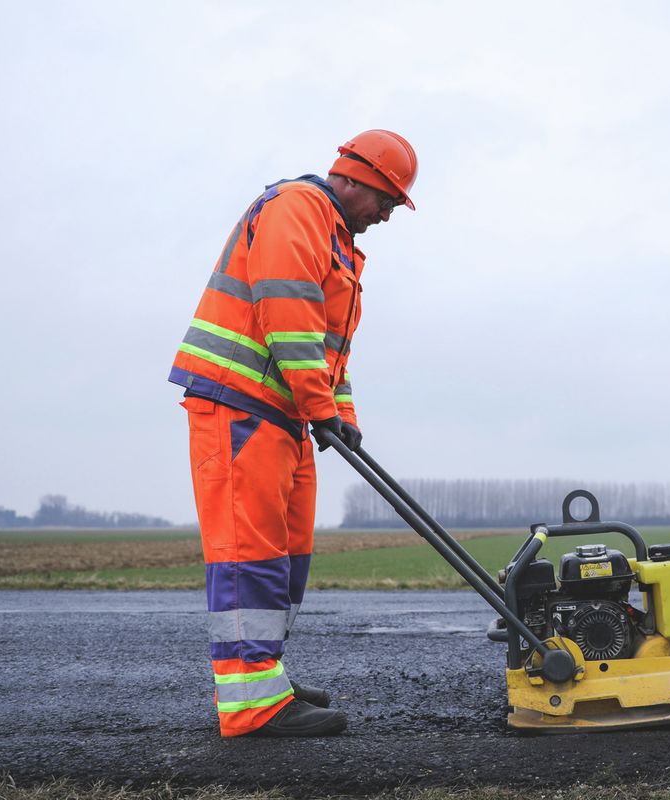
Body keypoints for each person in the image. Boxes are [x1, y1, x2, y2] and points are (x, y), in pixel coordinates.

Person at [168, 130, 418, 736]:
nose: (386, 216)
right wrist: (318, 405)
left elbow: (328, 349)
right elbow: (286, 310)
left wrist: (344, 417)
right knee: (248, 556)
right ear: (352, 178)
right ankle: (250, 704)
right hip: (241, 407)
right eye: (385, 200)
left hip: (283, 416)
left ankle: (265, 676)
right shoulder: (297, 211)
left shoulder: (337, 240)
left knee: (286, 558)